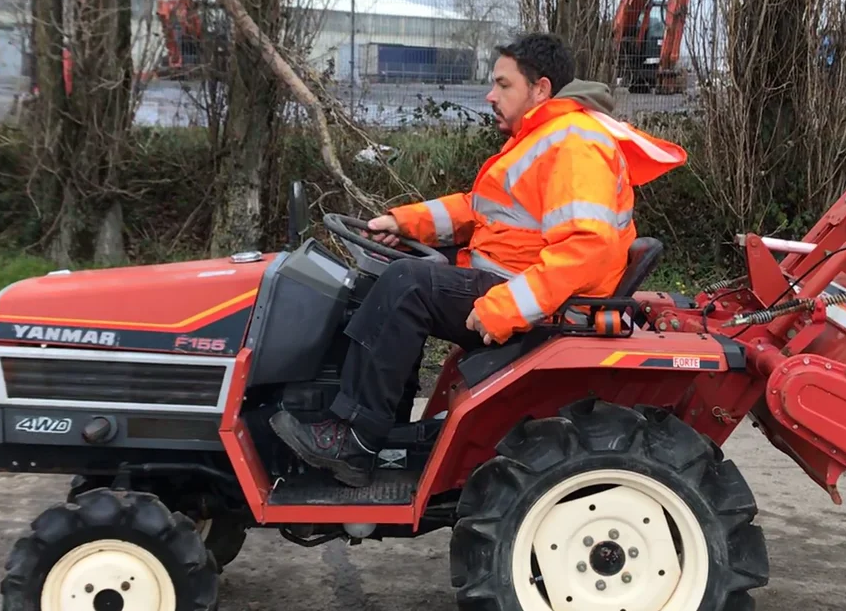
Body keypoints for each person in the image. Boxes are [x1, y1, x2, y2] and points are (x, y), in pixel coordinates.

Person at [269, 31, 688, 487]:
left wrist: (505, 307)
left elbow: (586, 247)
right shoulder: (543, 137)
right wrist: (404, 223)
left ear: (540, 89)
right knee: (393, 271)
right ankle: (383, 422)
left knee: (408, 284)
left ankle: (356, 440)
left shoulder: (575, 146)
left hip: (546, 301)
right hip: (511, 269)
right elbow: (479, 209)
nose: (490, 95)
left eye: (503, 84)